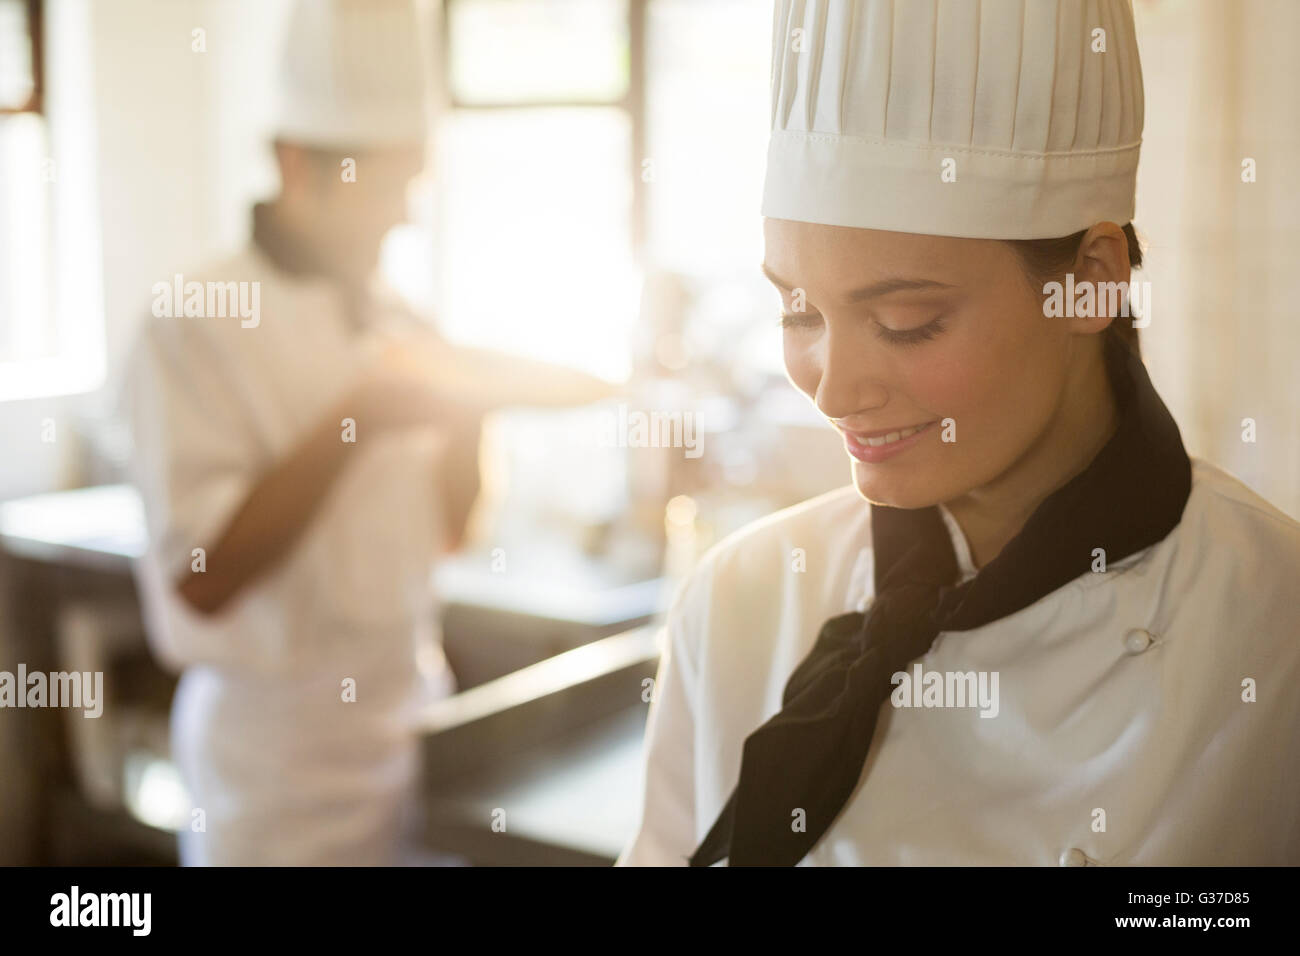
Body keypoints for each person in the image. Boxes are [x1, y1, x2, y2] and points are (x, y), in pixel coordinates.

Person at [618, 0, 1300, 866]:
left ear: (1090, 281)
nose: (833, 386)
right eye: (797, 311)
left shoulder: (1277, 630)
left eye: (906, 321)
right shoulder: (742, 598)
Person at [125, 0, 611, 866]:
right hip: (272, 768)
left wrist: (469, 406)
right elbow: (199, 580)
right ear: (295, 164)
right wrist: (360, 417)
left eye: (413, 184)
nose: (403, 215)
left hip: (411, 724)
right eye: (384, 186)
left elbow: (454, 531)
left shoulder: (399, 314)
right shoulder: (191, 323)